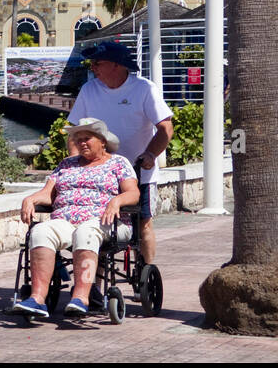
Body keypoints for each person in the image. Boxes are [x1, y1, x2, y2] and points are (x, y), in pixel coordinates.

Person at [13, 118, 140, 319]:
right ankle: (37, 299)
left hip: (106, 223)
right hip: (66, 221)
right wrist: (31, 199)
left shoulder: (118, 163)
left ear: (103, 141)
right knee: (41, 231)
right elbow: (48, 194)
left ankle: (82, 297)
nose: (81, 143)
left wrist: (116, 201)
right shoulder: (67, 164)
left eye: (87, 138)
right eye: (78, 139)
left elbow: (133, 193)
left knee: (85, 232)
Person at [67, 40, 173, 265]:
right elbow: (74, 132)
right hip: (98, 173)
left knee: (143, 223)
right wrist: (75, 162)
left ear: (117, 65)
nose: (92, 68)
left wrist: (151, 154)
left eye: (97, 63)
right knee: (96, 223)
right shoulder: (89, 90)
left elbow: (166, 128)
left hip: (137, 172)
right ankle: (96, 279)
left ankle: (144, 271)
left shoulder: (144, 88)